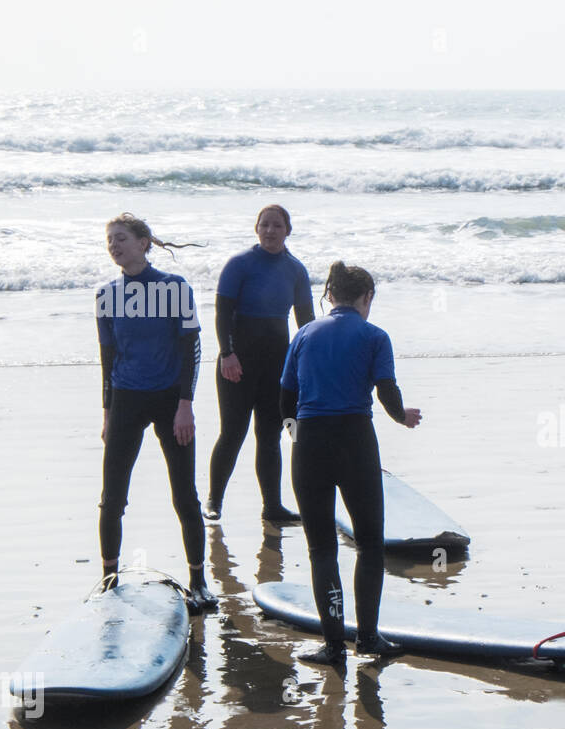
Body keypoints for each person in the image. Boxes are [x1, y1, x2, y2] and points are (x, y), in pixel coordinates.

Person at [280, 261, 422, 667]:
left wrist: (298, 438)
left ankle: (332, 646)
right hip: (355, 441)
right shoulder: (374, 336)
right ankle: (369, 638)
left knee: (321, 547)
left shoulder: (304, 334)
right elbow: (387, 391)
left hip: (309, 443)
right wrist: (401, 417)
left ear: (330, 295)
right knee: (369, 544)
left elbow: (285, 401)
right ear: (366, 298)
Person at [96, 213, 216, 609]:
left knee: (185, 495)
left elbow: (191, 350)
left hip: (170, 401)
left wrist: (186, 406)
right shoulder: (106, 295)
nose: (115, 245)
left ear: (145, 242)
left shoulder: (174, 288)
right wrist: (107, 412)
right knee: (112, 498)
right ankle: (108, 580)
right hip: (127, 399)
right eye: (110, 239)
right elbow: (107, 358)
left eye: (122, 238)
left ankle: (198, 581)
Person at [205, 204, 315, 523]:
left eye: (276, 225)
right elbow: (222, 313)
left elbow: (306, 323)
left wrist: (304, 366)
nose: (269, 230)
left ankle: (272, 507)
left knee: (270, 435)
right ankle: (214, 500)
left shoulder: (296, 270)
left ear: (287, 231)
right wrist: (227, 353)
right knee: (233, 433)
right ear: (256, 229)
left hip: (277, 365)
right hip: (236, 363)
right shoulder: (239, 264)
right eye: (264, 225)